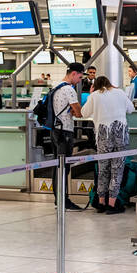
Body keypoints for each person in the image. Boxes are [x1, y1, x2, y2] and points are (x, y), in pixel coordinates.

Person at [81, 75, 136, 212]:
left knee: (103, 169)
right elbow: (131, 109)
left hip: (103, 134)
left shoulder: (94, 95)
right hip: (120, 134)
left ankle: (101, 202)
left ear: (96, 86)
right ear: (110, 83)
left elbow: (84, 113)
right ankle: (112, 203)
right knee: (117, 169)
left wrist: (91, 93)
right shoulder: (120, 93)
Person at [46, 64, 85, 211]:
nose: (79, 80)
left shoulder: (56, 86)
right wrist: (77, 111)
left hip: (54, 130)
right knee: (64, 167)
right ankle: (63, 200)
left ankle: (59, 199)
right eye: (80, 77)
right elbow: (79, 112)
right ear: (74, 73)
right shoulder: (69, 89)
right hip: (65, 132)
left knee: (58, 166)